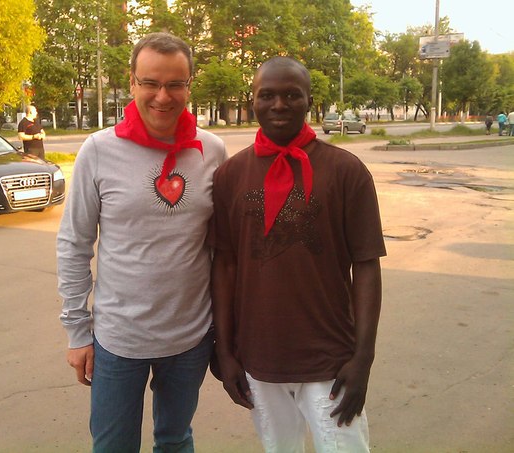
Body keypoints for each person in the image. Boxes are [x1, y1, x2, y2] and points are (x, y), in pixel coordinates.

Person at [56, 32, 227, 453]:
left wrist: (226, 330)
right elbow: (75, 243)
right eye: (150, 83)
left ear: (189, 85)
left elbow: (223, 249)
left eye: (175, 84)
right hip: (118, 340)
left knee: (175, 440)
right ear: (131, 82)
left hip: (191, 338)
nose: (162, 97)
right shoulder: (99, 150)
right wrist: (77, 332)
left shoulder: (212, 151)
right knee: (113, 445)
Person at [209, 56, 386, 453]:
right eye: (266, 95)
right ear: (253, 100)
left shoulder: (346, 170)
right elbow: (224, 266)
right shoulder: (230, 175)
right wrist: (225, 350)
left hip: (330, 360)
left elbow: (366, 266)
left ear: (309, 101)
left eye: (292, 95)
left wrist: (363, 358)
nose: (279, 104)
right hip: (258, 358)